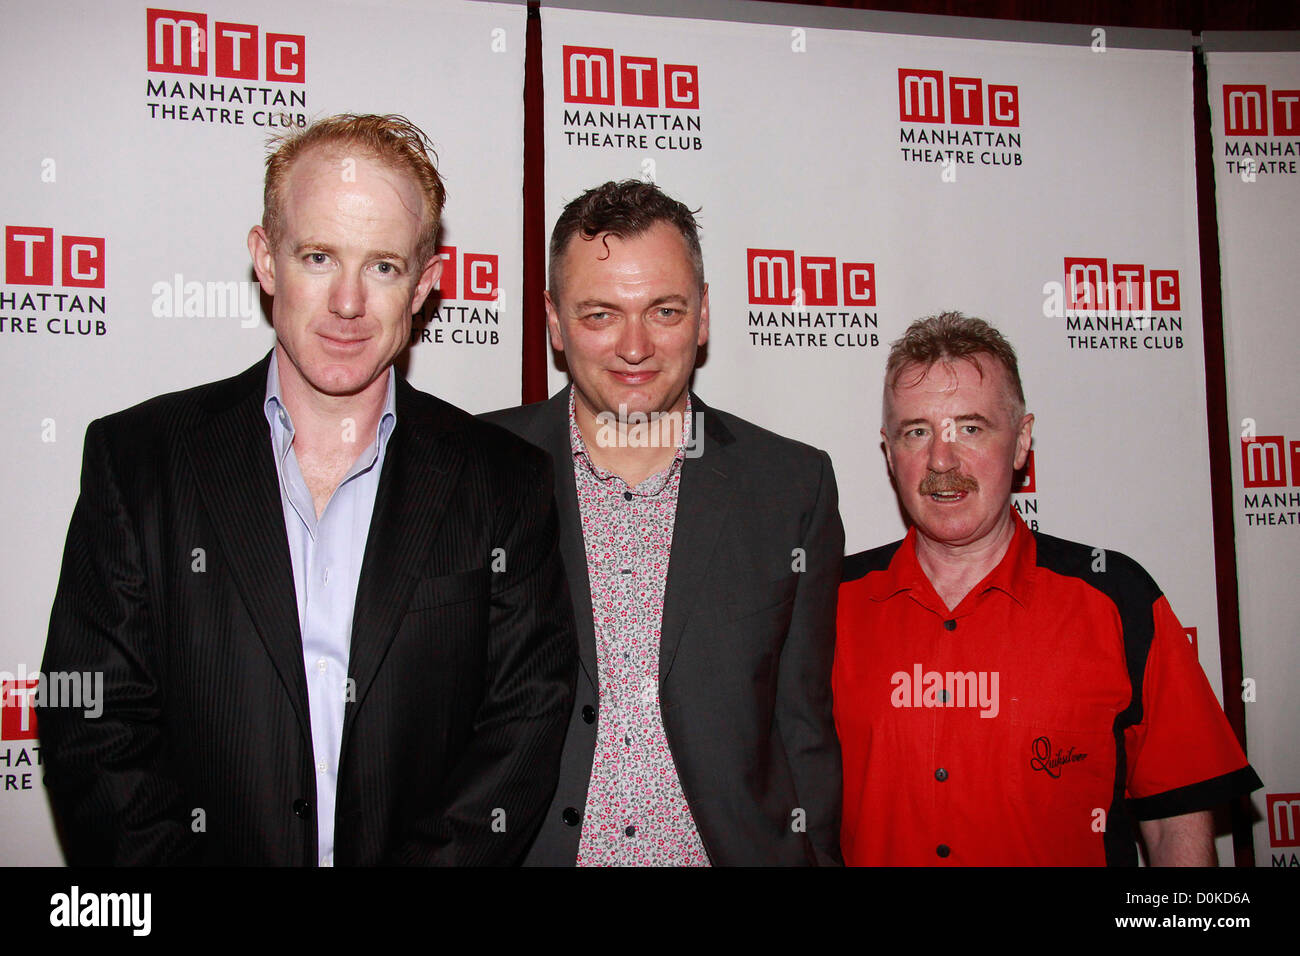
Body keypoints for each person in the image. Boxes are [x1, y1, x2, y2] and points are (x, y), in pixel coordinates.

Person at [38, 114, 577, 866]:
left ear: (425, 283)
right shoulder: (139, 461)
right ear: (266, 260)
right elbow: (92, 721)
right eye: (319, 256)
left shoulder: (503, 480)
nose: (347, 303)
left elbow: (524, 721)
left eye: (382, 266)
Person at [483, 180, 843, 866]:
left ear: (703, 316)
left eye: (665, 311)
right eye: (600, 314)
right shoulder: (478, 469)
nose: (635, 346)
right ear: (554, 322)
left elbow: (804, 731)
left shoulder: (791, 487)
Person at [834, 311, 1262, 866]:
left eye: (971, 428)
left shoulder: (1118, 598)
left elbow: (1174, 824)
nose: (942, 459)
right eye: (917, 431)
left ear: (1021, 442)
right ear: (890, 453)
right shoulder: (827, 604)